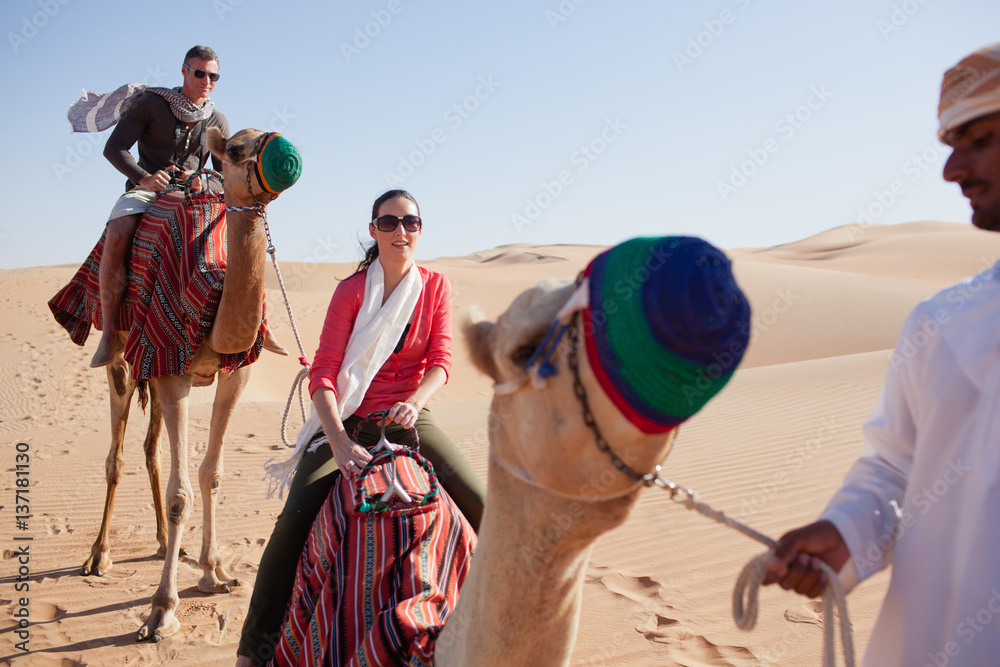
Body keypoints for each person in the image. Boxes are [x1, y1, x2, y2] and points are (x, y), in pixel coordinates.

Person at [764, 44, 1000, 666]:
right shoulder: (942, 325)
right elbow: (896, 469)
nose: (953, 170)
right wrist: (847, 531)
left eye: (979, 137)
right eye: (951, 142)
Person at [236, 190, 486, 666]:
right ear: (373, 230)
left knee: (484, 507)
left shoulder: (434, 287)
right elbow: (325, 374)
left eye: (410, 222)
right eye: (389, 223)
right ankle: (252, 649)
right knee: (293, 520)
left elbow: (441, 359)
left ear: (420, 229)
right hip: (349, 416)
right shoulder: (351, 291)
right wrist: (339, 441)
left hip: (410, 415)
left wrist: (415, 403)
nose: (400, 231)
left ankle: (499, 623)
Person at [88, 45, 229, 367]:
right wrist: (144, 178)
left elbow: (224, 175)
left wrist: (204, 181)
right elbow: (115, 148)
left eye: (213, 76)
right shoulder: (152, 104)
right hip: (146, 192)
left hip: (194, 196)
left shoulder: (216, 121)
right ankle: (110, 334)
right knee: (119, 232)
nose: (206, 80)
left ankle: (250, 323)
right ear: (184, 71)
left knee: (239, 234)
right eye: (199, 73)